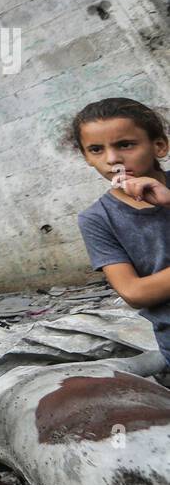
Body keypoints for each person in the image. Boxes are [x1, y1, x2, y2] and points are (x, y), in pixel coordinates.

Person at [71, 97, 170, 370]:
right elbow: (133, 291)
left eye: (125, 144)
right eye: (96, 149)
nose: (112, 159)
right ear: (87, 157)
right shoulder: (97, 219)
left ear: (159, 146)